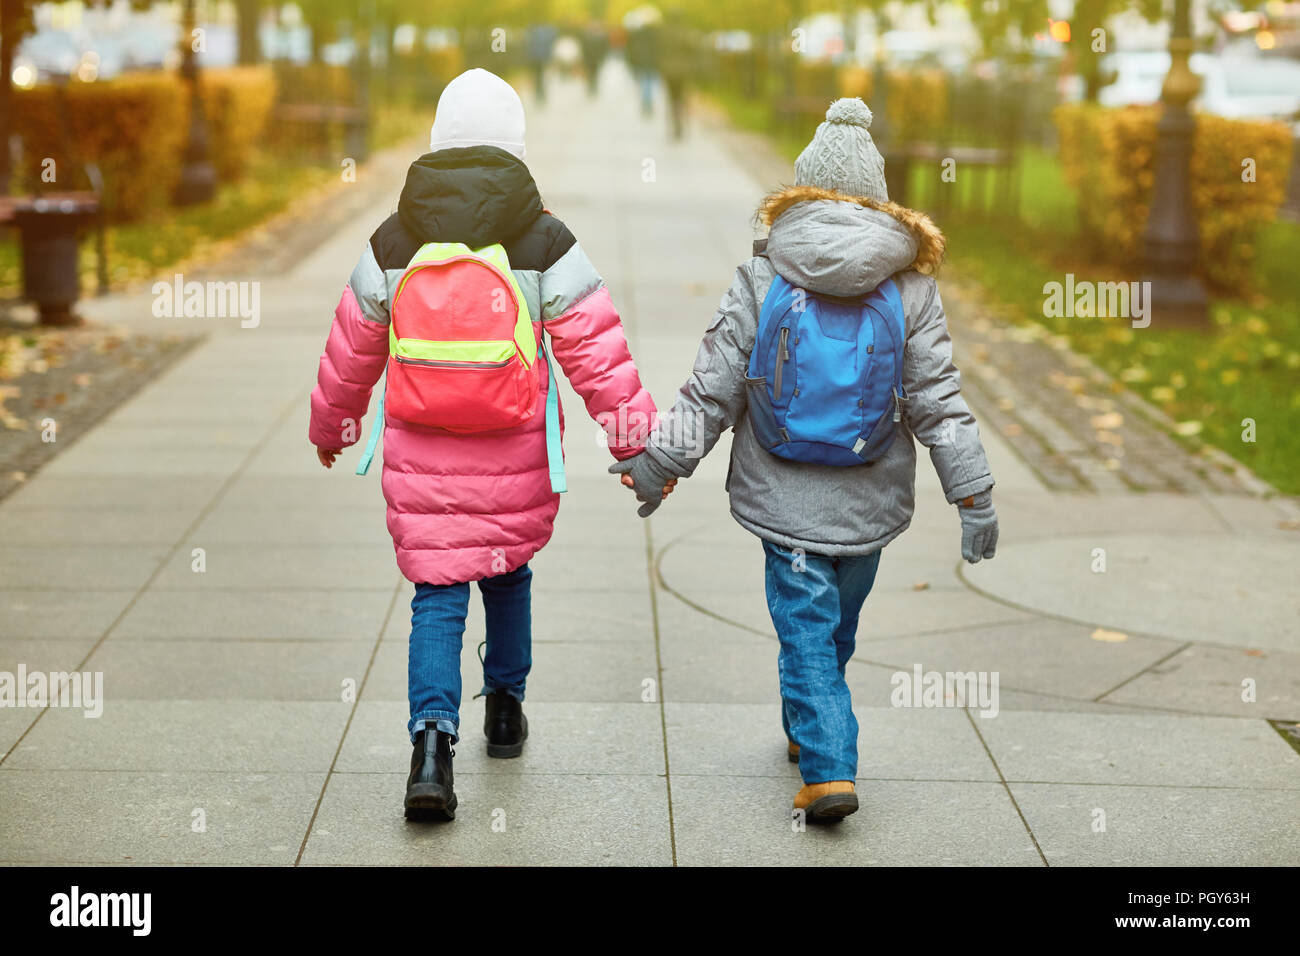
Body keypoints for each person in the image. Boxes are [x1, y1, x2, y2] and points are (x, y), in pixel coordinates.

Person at [611, 99, 999, 823]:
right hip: (872, 493)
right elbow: (938, 402)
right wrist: (972, 493)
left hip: (783, 494)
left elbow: (714, 387)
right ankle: (815, 722)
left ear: (800, 192)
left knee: (806, 628)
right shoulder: (911, 286)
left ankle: (827, 770)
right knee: (831, 628)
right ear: (878, 199)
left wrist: (661, 461)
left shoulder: (763, 276)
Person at [309, 69, 657, 821]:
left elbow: (352, 349)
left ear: (436, 143)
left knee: (437, 597)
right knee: (507, 576)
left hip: (421, 458)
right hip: (515, 452)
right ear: (516, 147)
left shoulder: (394, 237)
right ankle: (504, 708)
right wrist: (637, 444)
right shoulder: (542, 236)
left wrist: (330, 425)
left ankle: (431, 750)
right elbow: (596, 351)